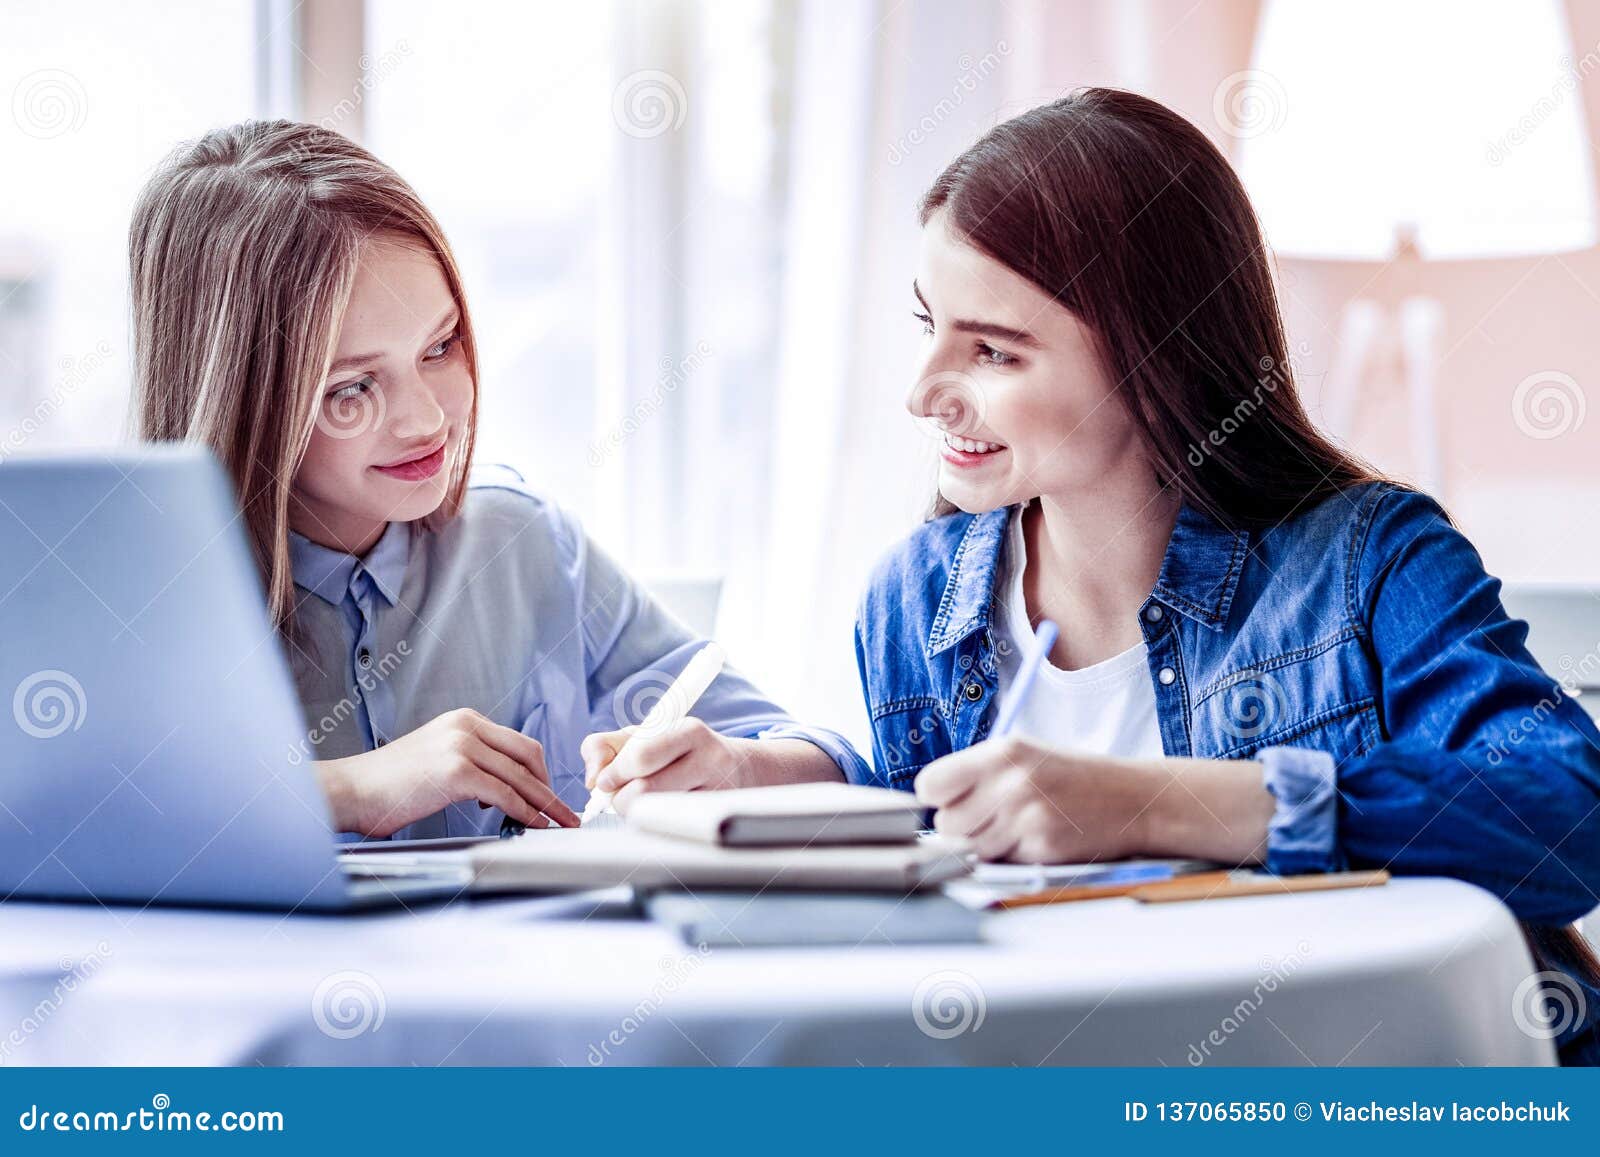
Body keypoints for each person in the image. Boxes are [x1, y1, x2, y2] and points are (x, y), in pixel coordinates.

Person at [852, 88, 1600, 1063]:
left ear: (1154, 356)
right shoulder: (914, 599)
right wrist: (798, 773)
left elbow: (1568, 815)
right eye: (929, 326)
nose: (923, 393)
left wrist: (1157, 804)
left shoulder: (1369, 559)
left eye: (993, 350)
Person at [129, 120, 864, 841]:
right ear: (243, 399)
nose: (427, 420)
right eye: (352, 387)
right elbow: (83, 824)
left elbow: (839, 771)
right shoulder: (144, 600)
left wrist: (735, 766)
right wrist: (347, 789)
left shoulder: (526, 545)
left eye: (440, 346)